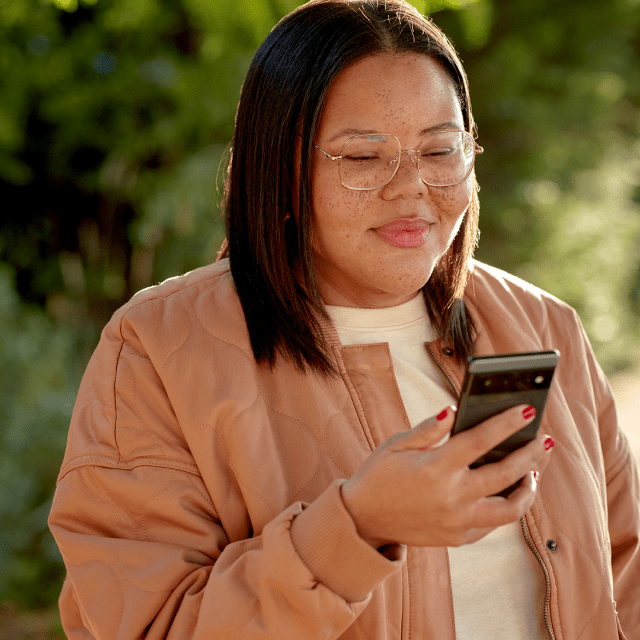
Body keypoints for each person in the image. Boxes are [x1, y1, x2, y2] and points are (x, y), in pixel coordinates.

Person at [48, 0, 640, 638]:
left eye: (441, 151)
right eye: (362, 158)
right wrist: (355, 528)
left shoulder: (542, 323)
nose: (412, 187)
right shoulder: (158, 350)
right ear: (282, 169)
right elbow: (147, 625)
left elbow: (624, 573)